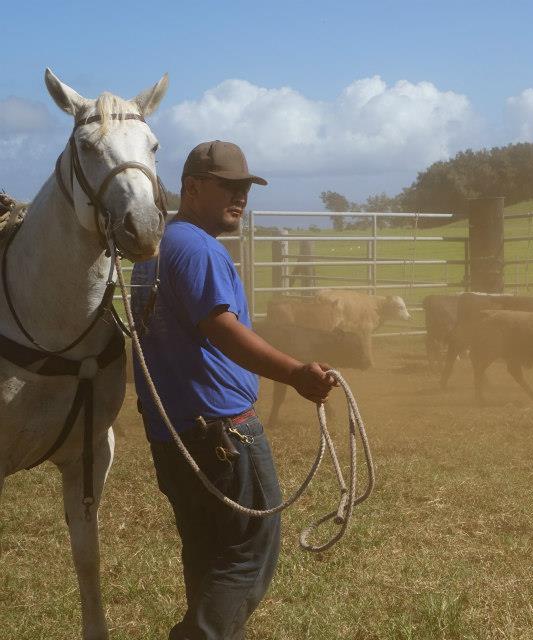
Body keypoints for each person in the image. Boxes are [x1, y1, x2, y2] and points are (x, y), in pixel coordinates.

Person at [132, 140, 336, 639]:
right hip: (224, 434)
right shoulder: (199, 249)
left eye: (245, 188)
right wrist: (294, 373)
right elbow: (220, 327)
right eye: (229, 186)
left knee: (208, 554)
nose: (241, 197)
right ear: (193, 188)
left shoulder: (157, 250)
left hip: (176, 435)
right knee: (249, 552)